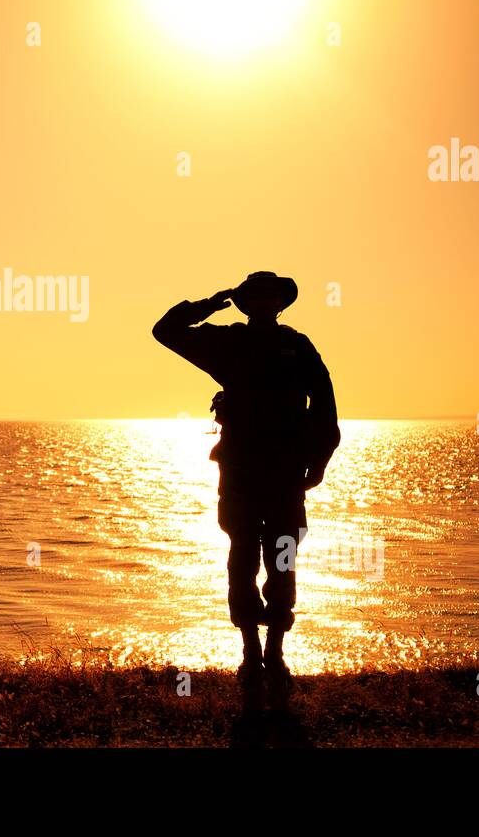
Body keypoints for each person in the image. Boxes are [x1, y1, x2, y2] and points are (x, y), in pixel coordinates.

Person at [153, 271, 340, 710]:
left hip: (286, 470)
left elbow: (327, 410)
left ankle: (274, 652)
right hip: (240, 468)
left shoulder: (299, 346)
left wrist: (319, 463)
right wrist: (209, 303)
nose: (261, 300)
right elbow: (165, 331)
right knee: (242, 553)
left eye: (269, 294)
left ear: (280, 302)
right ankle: (251, 652)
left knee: (282, 556)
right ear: (242, 302)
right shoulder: (227, 341)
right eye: (250, 294)